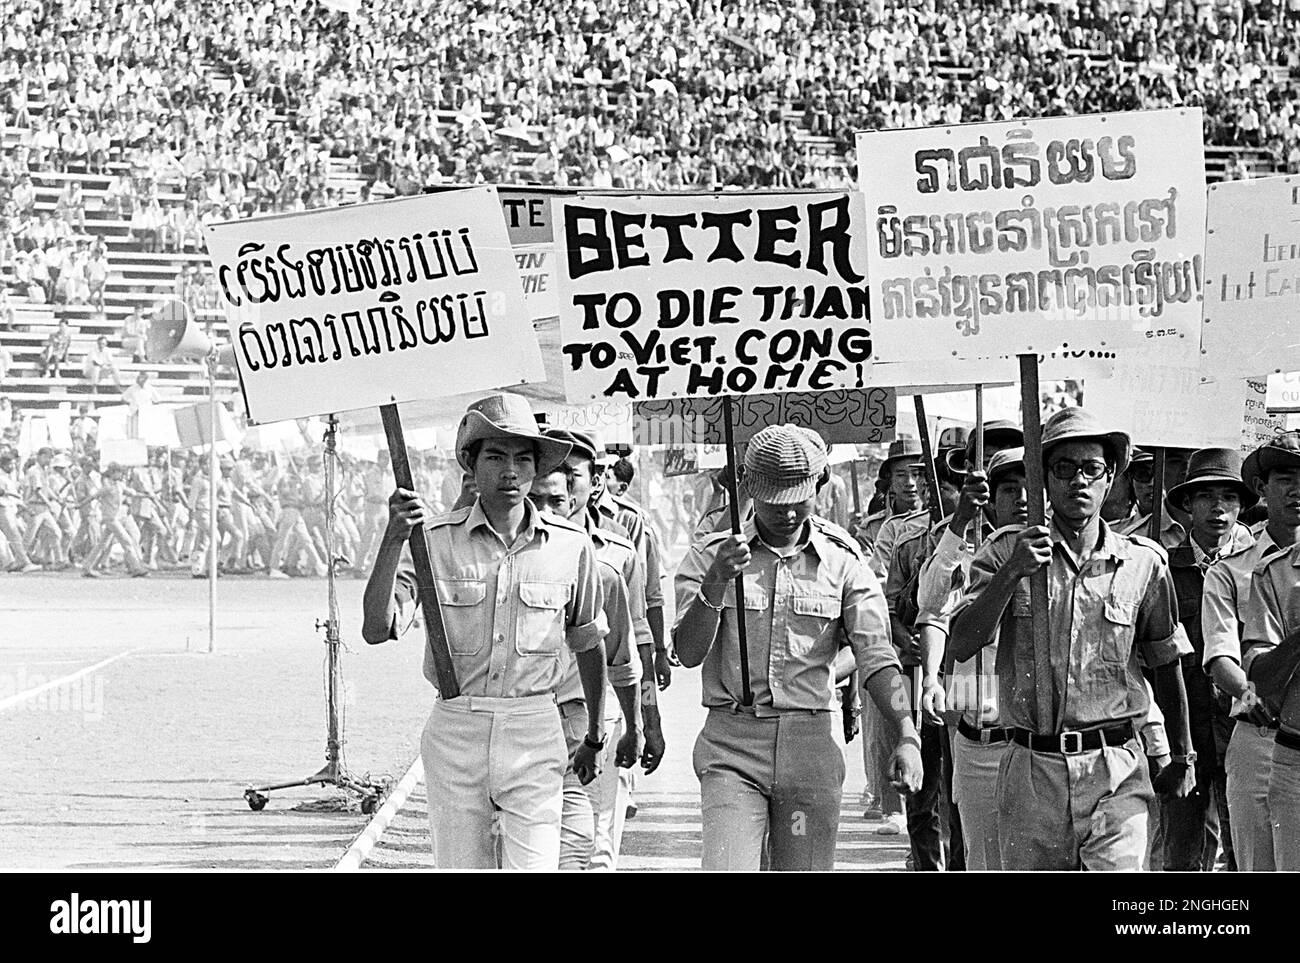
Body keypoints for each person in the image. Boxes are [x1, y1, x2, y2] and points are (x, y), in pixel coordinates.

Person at [361, 393, 608, 870]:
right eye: (495, 456)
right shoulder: (431, 540)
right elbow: (377, 628)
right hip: (457, 728)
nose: (510, 472)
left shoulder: (571, 548)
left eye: (522, 459)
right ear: (471, 467)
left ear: (537, 470)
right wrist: (392, 540)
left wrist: (596, 732)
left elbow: (588, 642)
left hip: (535, 728)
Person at [949, 406, 1195, 870]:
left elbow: (1165, 661)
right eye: (1064, 468)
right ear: (1044, 478)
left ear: (1111, 478)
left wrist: (1181, 753)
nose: (1078, 481)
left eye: (1091, 469)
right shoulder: (1006, 550)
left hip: (1115, 766)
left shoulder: (1143, 563)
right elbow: (962, 643)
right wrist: (1011, 573)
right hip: (1030, 768)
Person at [674, 423, 922, 870]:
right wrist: (715, 581)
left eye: (798, 497)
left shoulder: (843, 561)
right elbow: (687, 652)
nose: (787, 512)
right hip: (732, 748)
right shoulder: (711, 554)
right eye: (773, 498)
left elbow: (878, 659)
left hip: (809, 751)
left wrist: (905, 731)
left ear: (819, 486)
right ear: (750, 487)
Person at [1203, 433, 1300, 872]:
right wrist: (1252, 700)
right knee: (1259, 863)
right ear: (1262, 487)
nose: (1297, 489)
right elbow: (1221, 653)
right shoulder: (1232, 568)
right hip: (1259, 733)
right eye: (1285, 478)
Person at [1162, 447, 1257, 871]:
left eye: (1229, 498)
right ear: (1187, 504)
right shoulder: (1165, 569)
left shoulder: (1259, 569)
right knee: (1183, 852)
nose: (1218, 508)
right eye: (1205, 496)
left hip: (1243, 723)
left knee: (1248, 849)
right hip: (1186, 724)